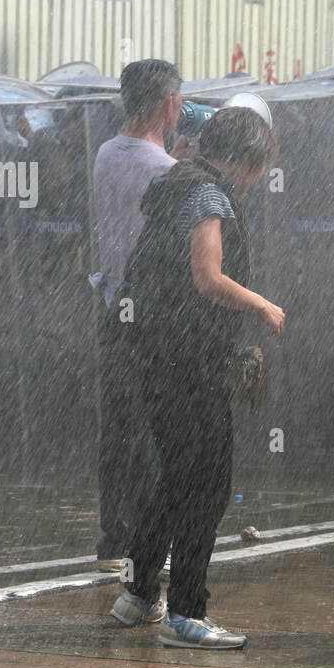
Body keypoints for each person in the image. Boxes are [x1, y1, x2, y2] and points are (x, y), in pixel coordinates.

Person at [109, 107, 283, 648]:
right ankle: (186, 613)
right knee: (206, 486)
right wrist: (261, 305)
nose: (255, 183)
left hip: (157, 355)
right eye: (258, 171)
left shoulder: (176, 183)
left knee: (177, 478)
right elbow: (207, 278)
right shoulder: (209, 195)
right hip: (189, 364)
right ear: (245, 160)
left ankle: (139, 594)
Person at [90, 59, 184, 573]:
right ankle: (148, 544)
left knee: (119, 423)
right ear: (170, 105)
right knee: (153, 425)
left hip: (111, 303)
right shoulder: (166, 169)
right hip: (151, 309)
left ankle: (114, 539)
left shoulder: (105, 154)